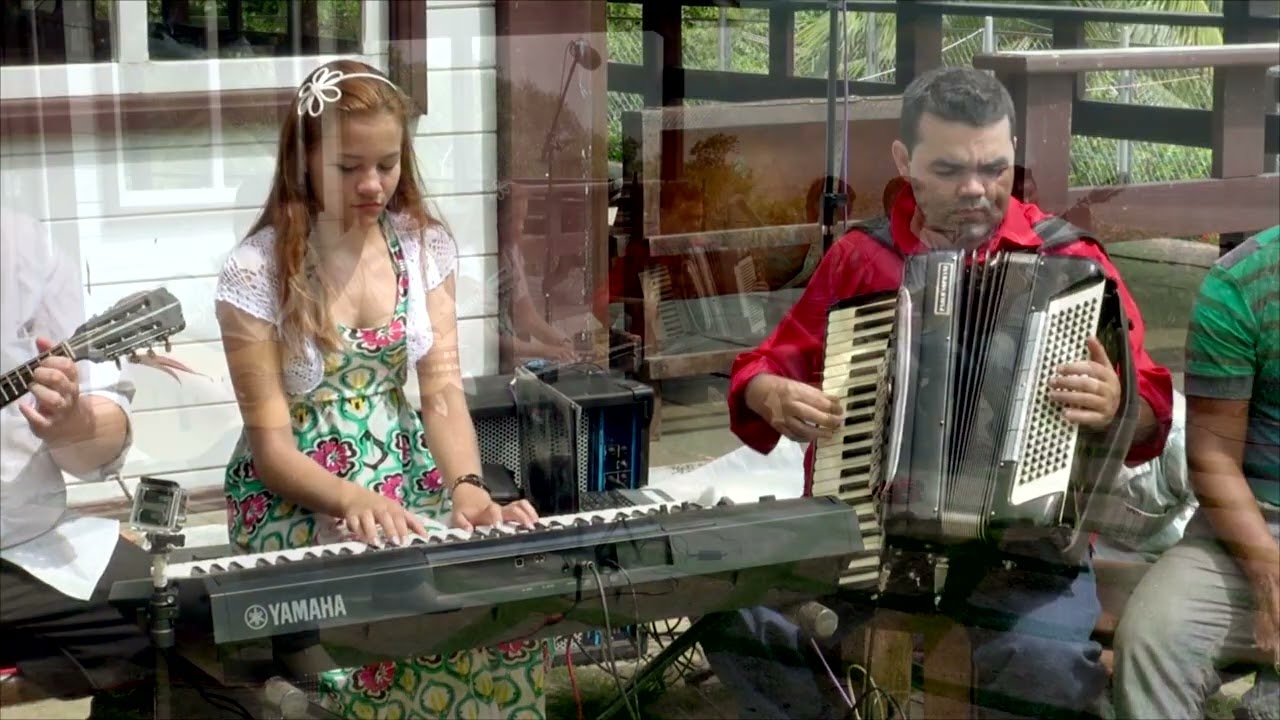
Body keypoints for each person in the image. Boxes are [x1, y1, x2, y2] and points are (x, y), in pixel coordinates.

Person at [700, 66, 1174, 719]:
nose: (977, 188)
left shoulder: (1073, 265)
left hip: (1022, 558)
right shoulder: (861, 259)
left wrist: (1119, 404)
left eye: (995, 167)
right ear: (905, 161)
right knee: (730, 608)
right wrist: (768, 394)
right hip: (873, 540)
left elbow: (1150, 409)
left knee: (1047, 670)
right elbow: (766, 364)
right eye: (949, 170)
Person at [213, 59, 547, 718]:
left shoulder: (421, 246)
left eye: (388, 164)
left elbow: (444, 394)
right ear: (304, 159)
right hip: (302, 496)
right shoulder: (256, 272)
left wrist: (469, 490)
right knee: (373, 645)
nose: (372, 184)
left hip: (402, 474)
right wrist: (351, 496)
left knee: (495, 624)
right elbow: (271, 451)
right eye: (348, 168)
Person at [1112, 225, 1280, 720]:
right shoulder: (1241, 284)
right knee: (1151, 639)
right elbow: (1213, 458)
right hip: (1248, 525)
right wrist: (1268, 573)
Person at [0, 199, 152, 718]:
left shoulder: (21, 244)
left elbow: (102, 445)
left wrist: (73, 423)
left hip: (23, 548)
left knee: (180, 614)